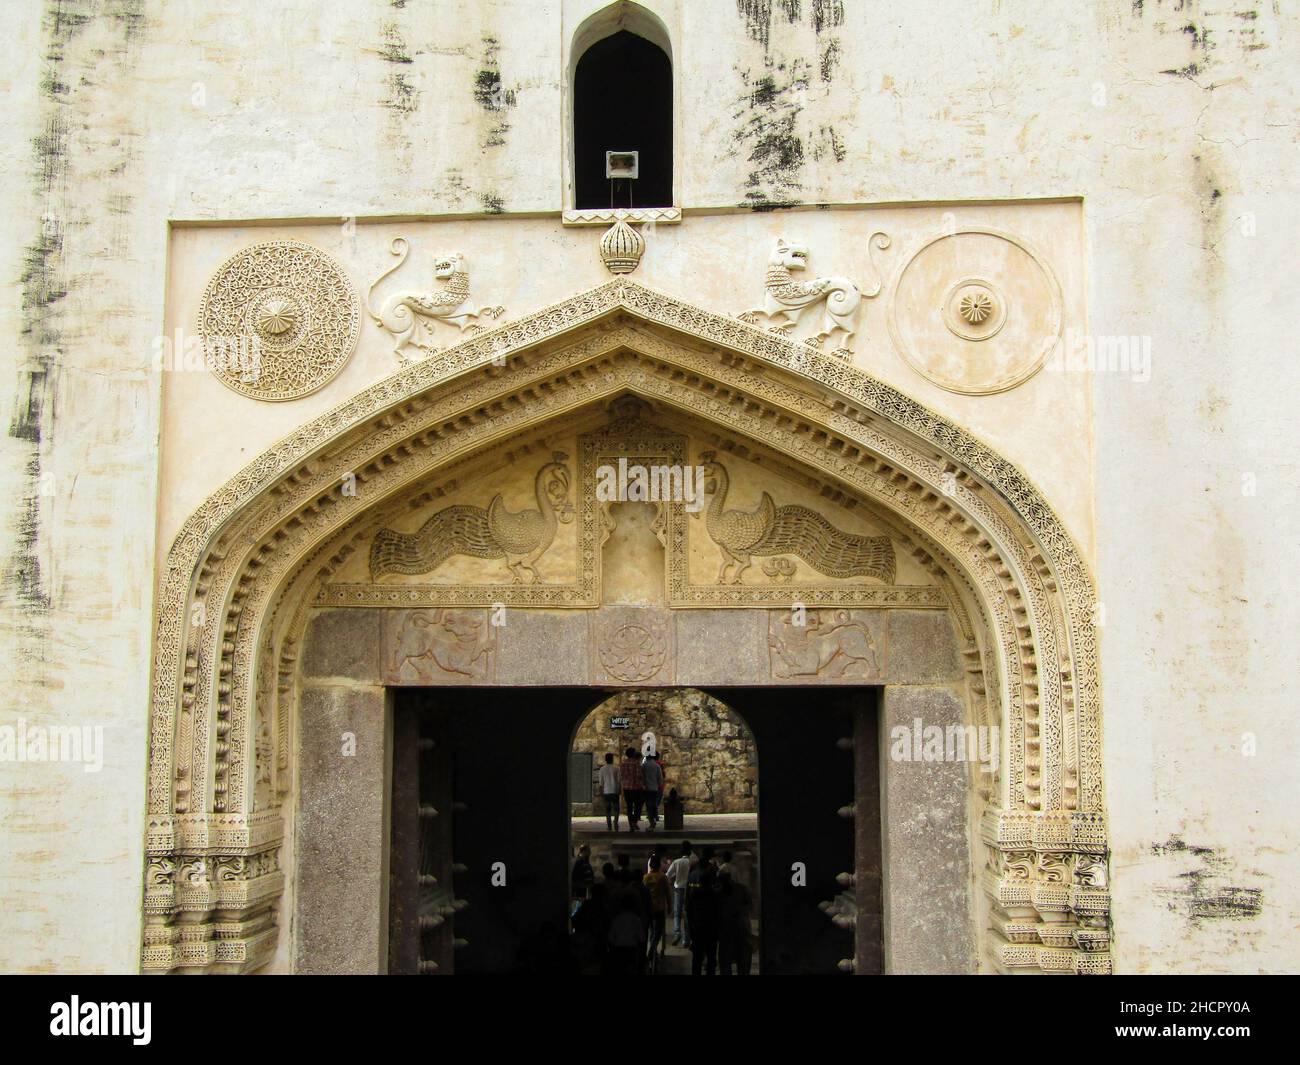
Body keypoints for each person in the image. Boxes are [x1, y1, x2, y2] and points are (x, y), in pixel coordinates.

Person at [686, 868, 721, 975]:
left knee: (697, 958)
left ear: (700, 882)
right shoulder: (714, 895)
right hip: (711, 929)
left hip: (698, 928)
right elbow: (718, 913)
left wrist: (690, 929)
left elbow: (689, 912)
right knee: (711, 958)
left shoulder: (694, 894)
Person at [717, 871, 753, 975]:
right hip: (738, 931)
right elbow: (750, 906)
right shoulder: (741, 889)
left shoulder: (720, 892)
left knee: (728, 963)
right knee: (741, 963)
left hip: (733, 932)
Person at [643, 851, 670, 972]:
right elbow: (667, 893)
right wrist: (669, 905)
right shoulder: (663, 877)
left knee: (651, 931)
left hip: (648, 908)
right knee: (657, 932)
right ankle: (651, 952)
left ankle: (652, 953)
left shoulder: (646, 877)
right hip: (659, 907)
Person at [666, 842, 694, 947]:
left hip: (678, 889)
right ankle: (686, 939)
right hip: (688, 889)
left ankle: (677, 932)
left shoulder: (676, 862)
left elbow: (668, 875)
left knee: (677, 912)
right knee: (686, 913)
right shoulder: (691, 862)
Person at [620, 746, 643, 832]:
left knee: (629, 806)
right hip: (636, 788)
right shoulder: (636, 763)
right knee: (638, 806)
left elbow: (621, 776)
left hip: (626, 788)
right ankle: (634, 822)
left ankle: (631, 824)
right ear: (633, 754)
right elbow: (639, 776)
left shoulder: (623, 764)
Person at [640, 749, 663, 831]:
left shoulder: (644, 765)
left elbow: (641, 777)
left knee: (649, 807)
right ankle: (654, 819)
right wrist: (660, 787)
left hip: (646, 789)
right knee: (654, 805)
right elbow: (660, 779)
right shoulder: (657, 766)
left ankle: (651, 822)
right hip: (655, 788)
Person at [598, 751, 621, 831]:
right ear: (612, 759)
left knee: (607, 809)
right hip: (615, 790)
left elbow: (601, 782)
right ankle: (616, 821)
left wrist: (601, 792)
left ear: (605, 759)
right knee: (616, 808)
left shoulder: (602, 769)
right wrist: (620, 790)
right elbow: (619, 781)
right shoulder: (617, 768)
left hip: (606, 791)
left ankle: (609, 825)